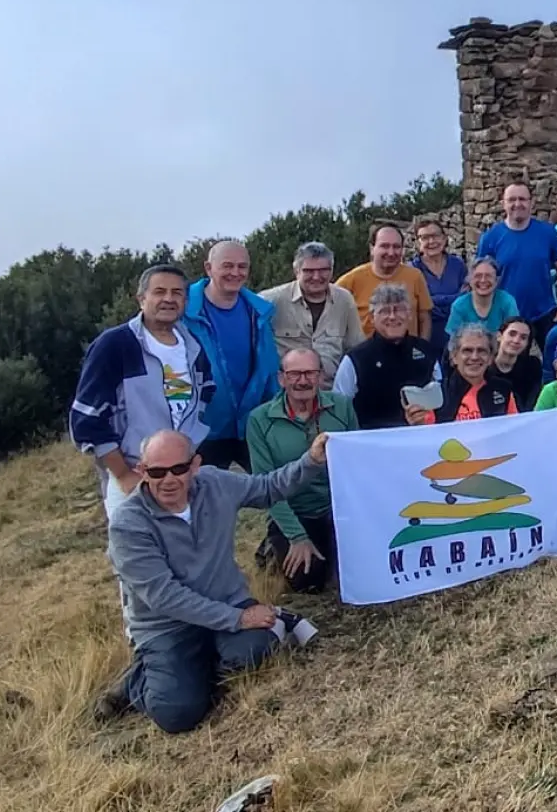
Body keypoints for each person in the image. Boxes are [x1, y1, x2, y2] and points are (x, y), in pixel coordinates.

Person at [101, 429, 326, 733]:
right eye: (157, 472)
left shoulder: (216, 482)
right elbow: (164, 596)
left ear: (195, 465)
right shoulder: (127, 524)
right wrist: (238, 619)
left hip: (228, 602)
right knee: (177, 714)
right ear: (142, 471)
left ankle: (192, 671)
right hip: (168, 626)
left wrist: (311, 461)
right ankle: (138, 682)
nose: (168, 480)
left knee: (258, 650)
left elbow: (268, 487)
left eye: (179, 469)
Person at [72, 264, 215, 523]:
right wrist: (123, 474)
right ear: (141, 298)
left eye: (177, 293)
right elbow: (87, 418)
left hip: (183, 475)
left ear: (185, 301)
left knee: (186, 545)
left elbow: (205, 394)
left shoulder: (192, 345)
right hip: (135, 475)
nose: (169, 299)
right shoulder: (115, 345)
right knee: (136, 546)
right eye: (159, 292)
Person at [246, 348, 358, 593]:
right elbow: (266, 487)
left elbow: (354, 465)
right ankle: (274, 546)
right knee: (307, 581)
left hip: (334, 510)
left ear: (321, 376)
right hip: (294, 511)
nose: (302, 381)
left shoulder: (342, 407)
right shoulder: (259, 420)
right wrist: (297, 537)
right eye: (294, 374)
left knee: (357, 570)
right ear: (281, 379)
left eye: (310, 373)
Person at [182, 240, 281, 474]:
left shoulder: (259, 311)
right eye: (227, 266)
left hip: (251, 423)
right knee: (200, 494)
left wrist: (276, 410)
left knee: (275, 487)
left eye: (242, 266)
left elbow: (269, 367)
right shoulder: (183, 310)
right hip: (202, 429)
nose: (235, 273)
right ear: (208, 268)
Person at [331, 283, 438, 430]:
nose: (393, 316)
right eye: (385, 311)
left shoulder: (427, 352)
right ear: (372, 318)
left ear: (410, 315)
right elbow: (339, 409)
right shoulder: (355, 359)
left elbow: (441, 402)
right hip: (370, 438)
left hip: (420, 435)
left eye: (399, 309)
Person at [477, 182, 557, 343]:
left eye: (522, 199)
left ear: (531, 203)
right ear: (503, 203)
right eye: (512, 199)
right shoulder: (490, 238)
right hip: (506, 316)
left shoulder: (547, 233)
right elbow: (480, 279)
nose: (517, 204)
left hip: (546, 314)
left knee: (556, 357)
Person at [260, 242, 365, 378]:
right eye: (309, 271)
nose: (316, 277)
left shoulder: (344, 300)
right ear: (296, 271)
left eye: (323, 270)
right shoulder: (271, 300)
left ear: (332, 271)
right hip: (285, 387)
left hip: (330, 387)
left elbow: (356, 348)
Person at [338, 223, 435, 339]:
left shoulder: (415, 276)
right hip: (366, 349)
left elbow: (424, 318)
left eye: (396, 247)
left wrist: (422, 346)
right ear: (372, 249)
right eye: (385, 246)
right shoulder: (350, 280)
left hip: (407, 348)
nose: (391, 252)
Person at [407, 324, 516, 423]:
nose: (474, 357)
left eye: (481, 351)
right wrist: (417, 423)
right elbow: (427, 434)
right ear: (454, 356)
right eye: (467, 350)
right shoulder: (437, 393)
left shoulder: (503, 390)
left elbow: (515, 429)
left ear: (490, 358)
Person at [410, 217, 466, 357]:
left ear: (444, 238)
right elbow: (416, 304)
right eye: (425, 237)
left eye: (435, 235)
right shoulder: (413, 270)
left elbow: (466, 298)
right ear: (417, 242)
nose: (431, 241)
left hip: (458, 336)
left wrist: (431, 301)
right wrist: (454, 298)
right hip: (426, 336)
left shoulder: (458, 265)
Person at [446, 256, 521, 341]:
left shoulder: (507, 302)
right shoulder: (459, 305)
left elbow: (514, 335)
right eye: (478, 276)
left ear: (497, 280)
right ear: (470, 280)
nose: (483, 280)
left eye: (488, 276)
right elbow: (453, 341)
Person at [487, 318, 544, 411]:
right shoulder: (485, 367)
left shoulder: (532, 366)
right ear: (499, 336)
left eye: (523, 337)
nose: (516, 340)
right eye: (512, 334)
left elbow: (533, 401)